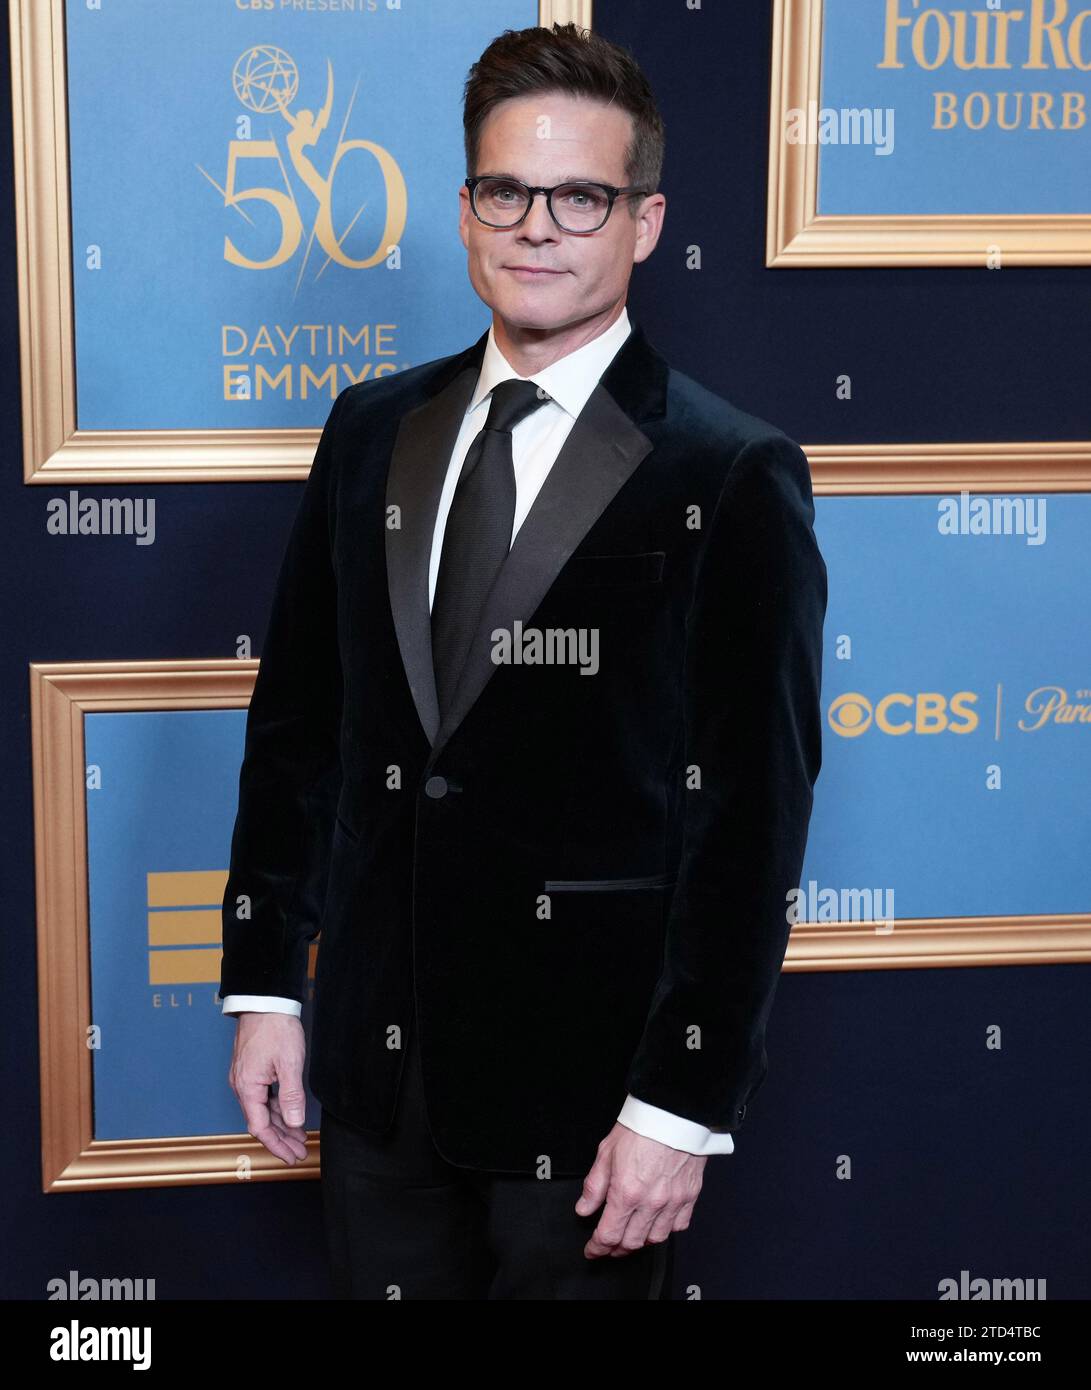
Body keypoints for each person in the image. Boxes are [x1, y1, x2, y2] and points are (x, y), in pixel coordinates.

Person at [219, 22, 826, 1301]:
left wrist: (678, 1104)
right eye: (506, 189)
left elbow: (750, 818)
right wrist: (267, 980)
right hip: (380, 1073)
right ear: (465, 208)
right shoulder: (372, 427)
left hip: (593, 1102)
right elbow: (302, 727)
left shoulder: (725, 470)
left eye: (580, 196)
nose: (537, 224)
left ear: (643, 223)